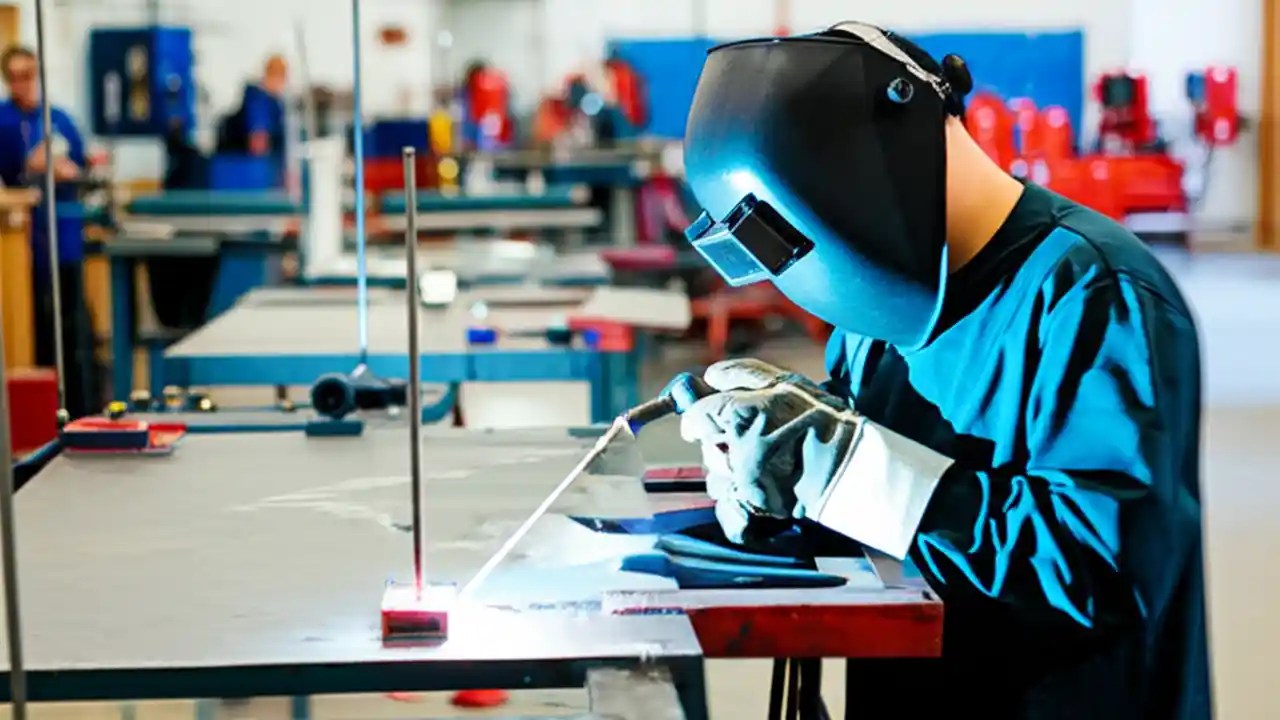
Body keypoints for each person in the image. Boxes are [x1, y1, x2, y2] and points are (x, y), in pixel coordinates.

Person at [667, 22, 1209, 719]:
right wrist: (777, 472)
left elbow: (1105, 562)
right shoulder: (881, 306)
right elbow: (892, 522)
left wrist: (846, 469)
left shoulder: (1094, 294)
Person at [0, 45, 98, 418]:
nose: (23, 84)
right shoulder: (4, 122)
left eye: (29, 75)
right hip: (23, 247)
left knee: (75, 332)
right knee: (40, 335)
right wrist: (28, 168)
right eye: (15, 77)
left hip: (67, 240)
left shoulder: (59, 119)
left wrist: (72, 171)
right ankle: (43, 416)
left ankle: (84, 411)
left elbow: (85, 167)